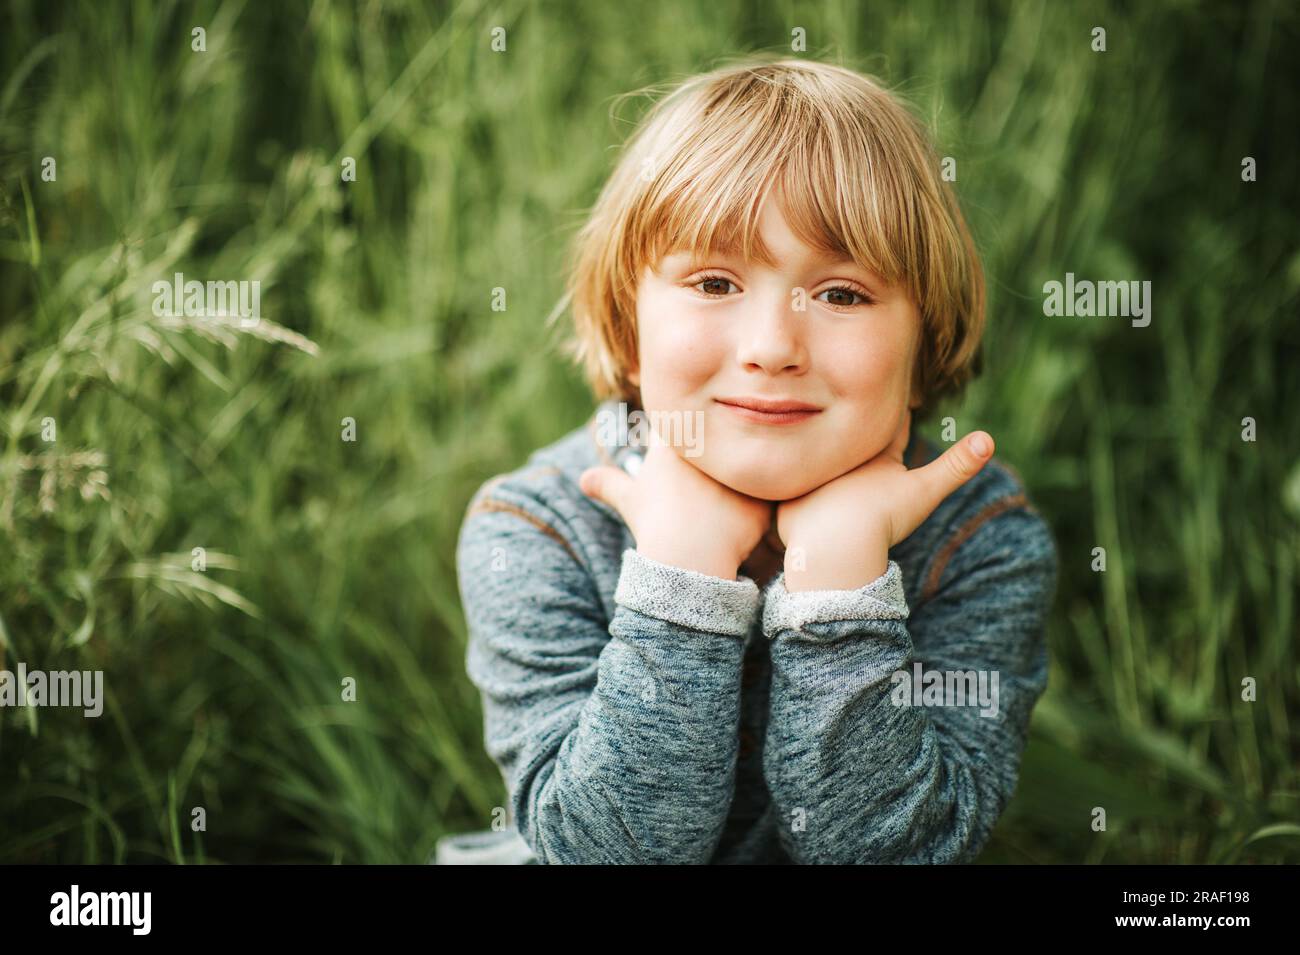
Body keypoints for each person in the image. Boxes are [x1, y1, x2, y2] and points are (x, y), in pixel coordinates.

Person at [436, 56, 1058, 864]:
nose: (771, 347)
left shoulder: (981, 544)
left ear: (924, 345)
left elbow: (896, 854)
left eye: (840, 294)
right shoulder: (531, 531)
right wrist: (681, 580)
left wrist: (841, 589)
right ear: (629, 326)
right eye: (715, 281)